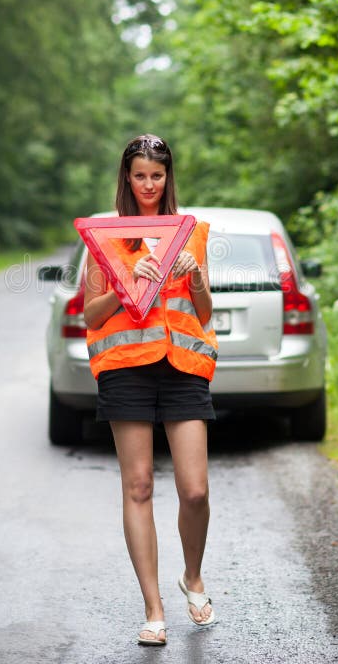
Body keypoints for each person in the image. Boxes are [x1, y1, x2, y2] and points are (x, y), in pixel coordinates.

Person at [83, 135, 218, 646]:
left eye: (156, 176)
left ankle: (193, 576)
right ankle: (154, 609)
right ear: (127, 177)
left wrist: (197, 276)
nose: (148, 185)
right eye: (139, 175)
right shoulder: (106, 235)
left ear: (168, 178)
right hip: (126, 368)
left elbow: (203, 313)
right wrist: (122, 284)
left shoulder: (192, 231)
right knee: (138, 486)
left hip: (182, 365)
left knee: (195, 489)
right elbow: (91, 312)